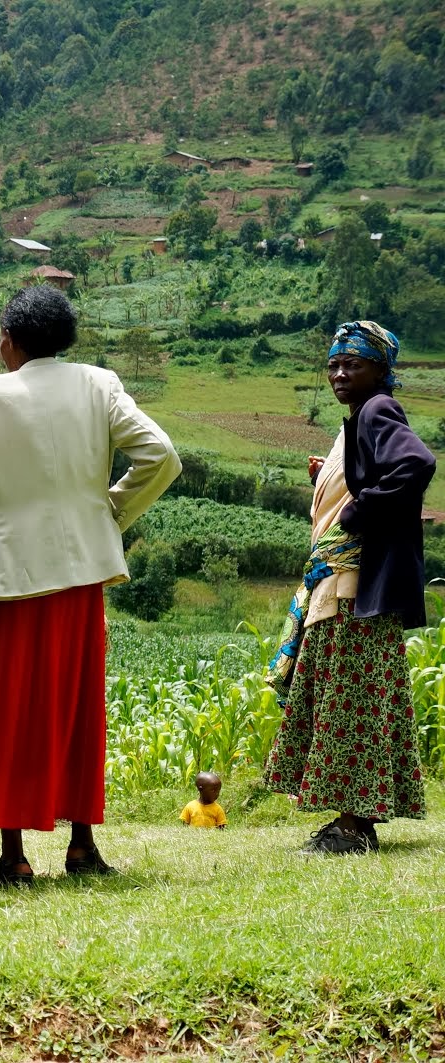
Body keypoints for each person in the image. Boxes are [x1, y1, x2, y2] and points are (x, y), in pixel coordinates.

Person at [0, 285, 180, 886]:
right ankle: (82, 846)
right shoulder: (99, 383)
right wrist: (106, 512)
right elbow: (161, 456)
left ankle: (13, 854)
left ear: (10, 341)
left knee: (8, 708)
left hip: (7, 570)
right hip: (80, 569)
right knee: (74, 702)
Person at [264, 320, 432, 856]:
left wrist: (359, 508)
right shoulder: (359, 418)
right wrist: (334, 479)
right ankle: (354, 817)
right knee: (353, 698)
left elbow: (415, 462)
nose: (339, 373)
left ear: (380, 371)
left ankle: (355, 825)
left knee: (351, 698)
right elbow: (373, 469)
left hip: (354, 586)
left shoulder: (378, 410)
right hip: (346, 583)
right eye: (333, 364)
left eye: (352, 364)